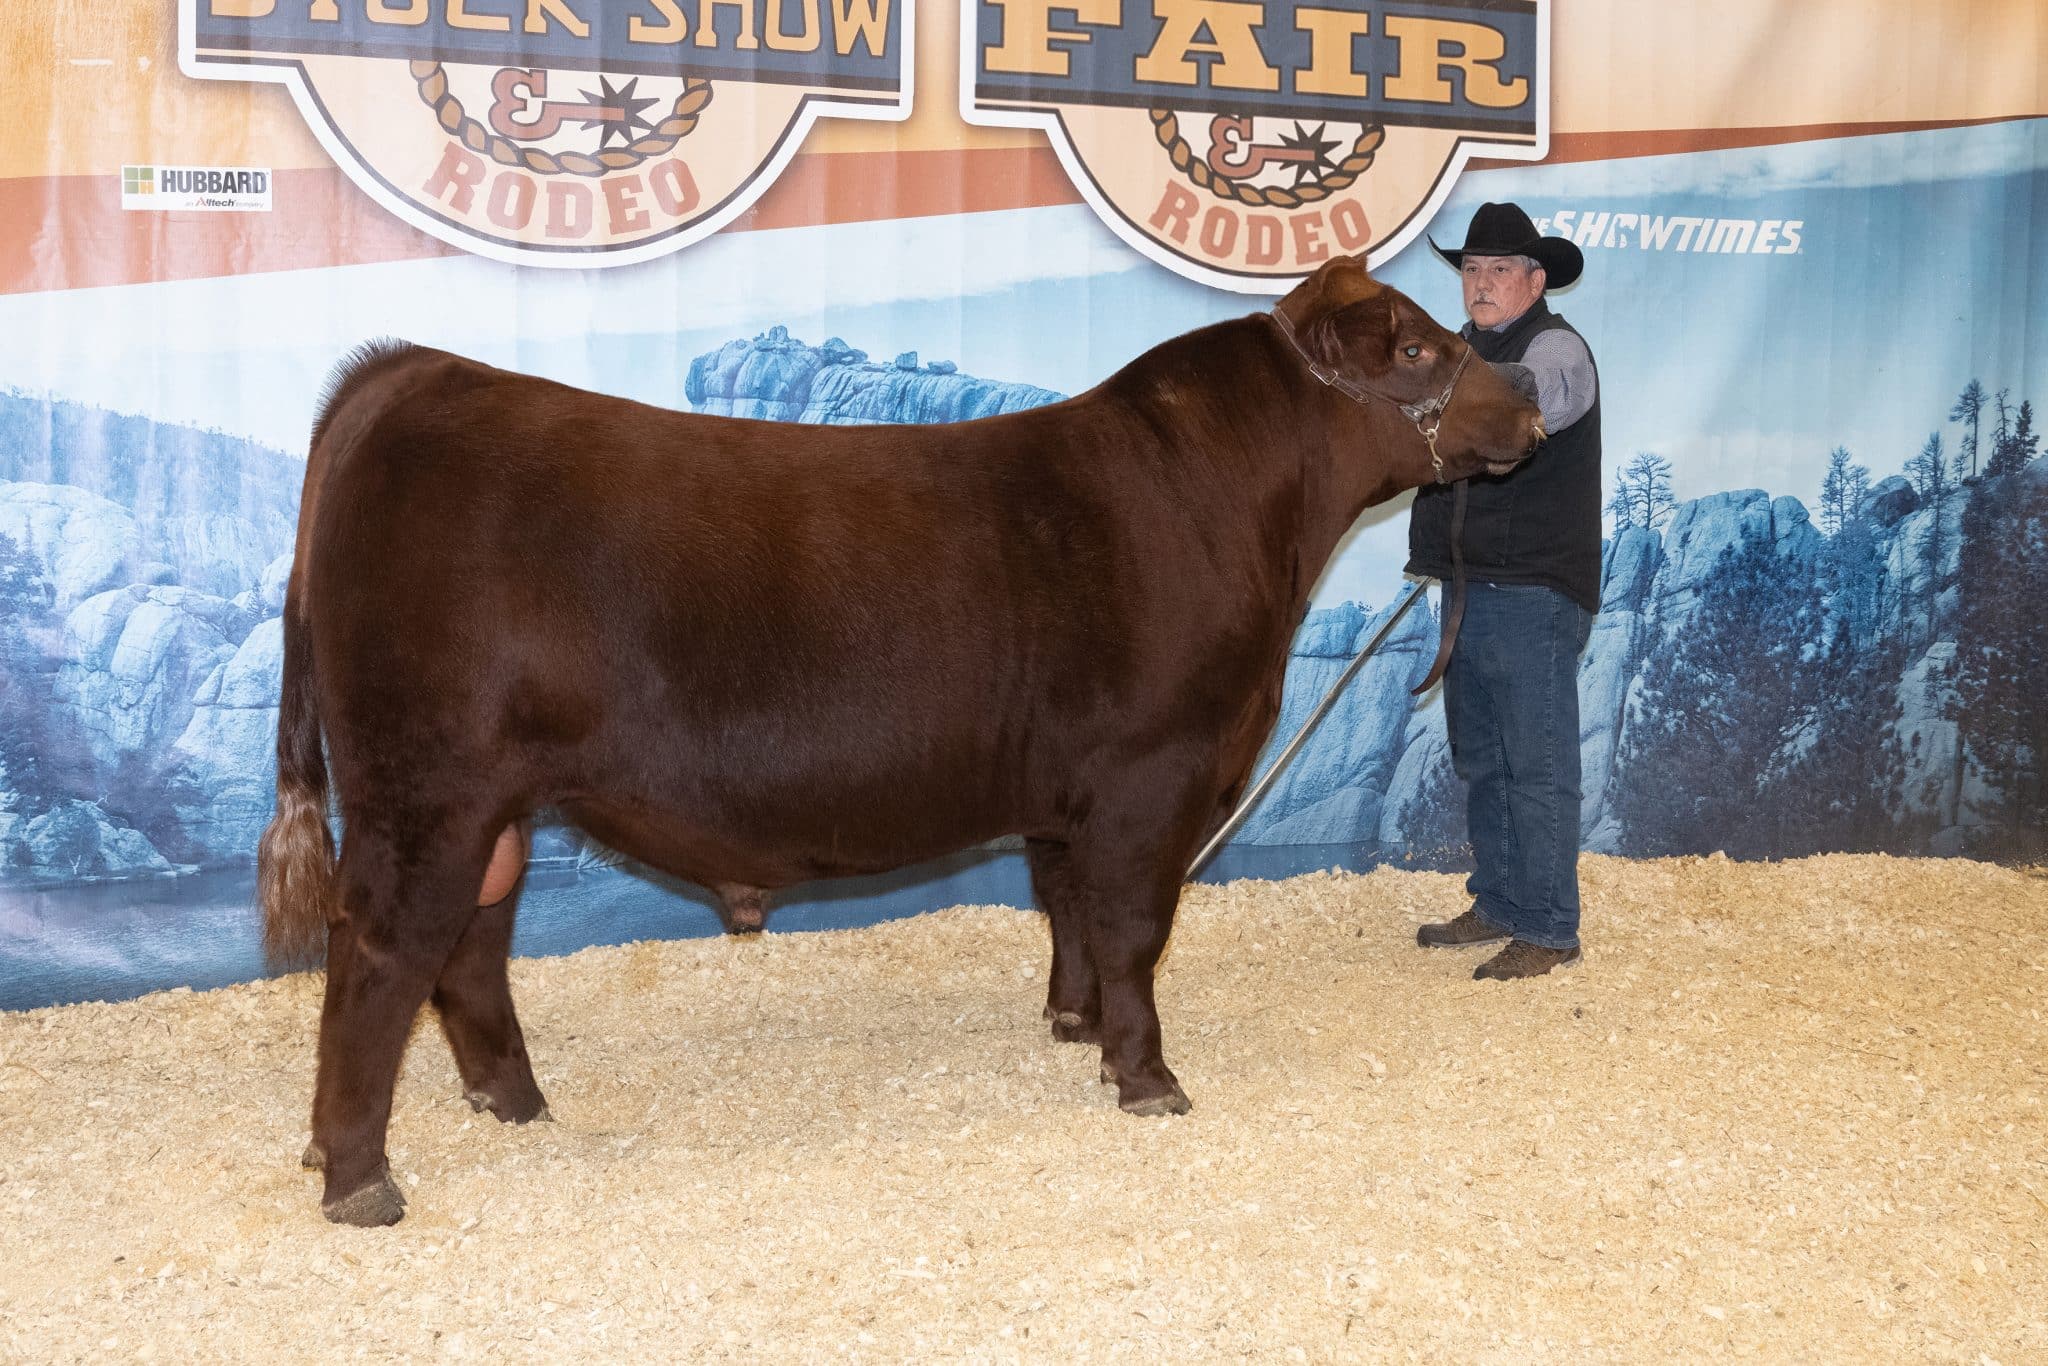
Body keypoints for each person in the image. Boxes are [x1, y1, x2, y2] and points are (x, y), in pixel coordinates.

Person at [1407, 201, 1601, 981]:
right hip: (1469, 586)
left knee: (1537, 764)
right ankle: (1500, 902)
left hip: (1530, 589)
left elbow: (1538, 405)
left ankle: (1551, 927)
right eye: (1471, 269)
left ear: (1536, 278)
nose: (1480, 283)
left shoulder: (1556, 348)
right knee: (1484, 761)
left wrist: (1444, 386)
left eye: (1498, 270)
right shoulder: (1461, 352)